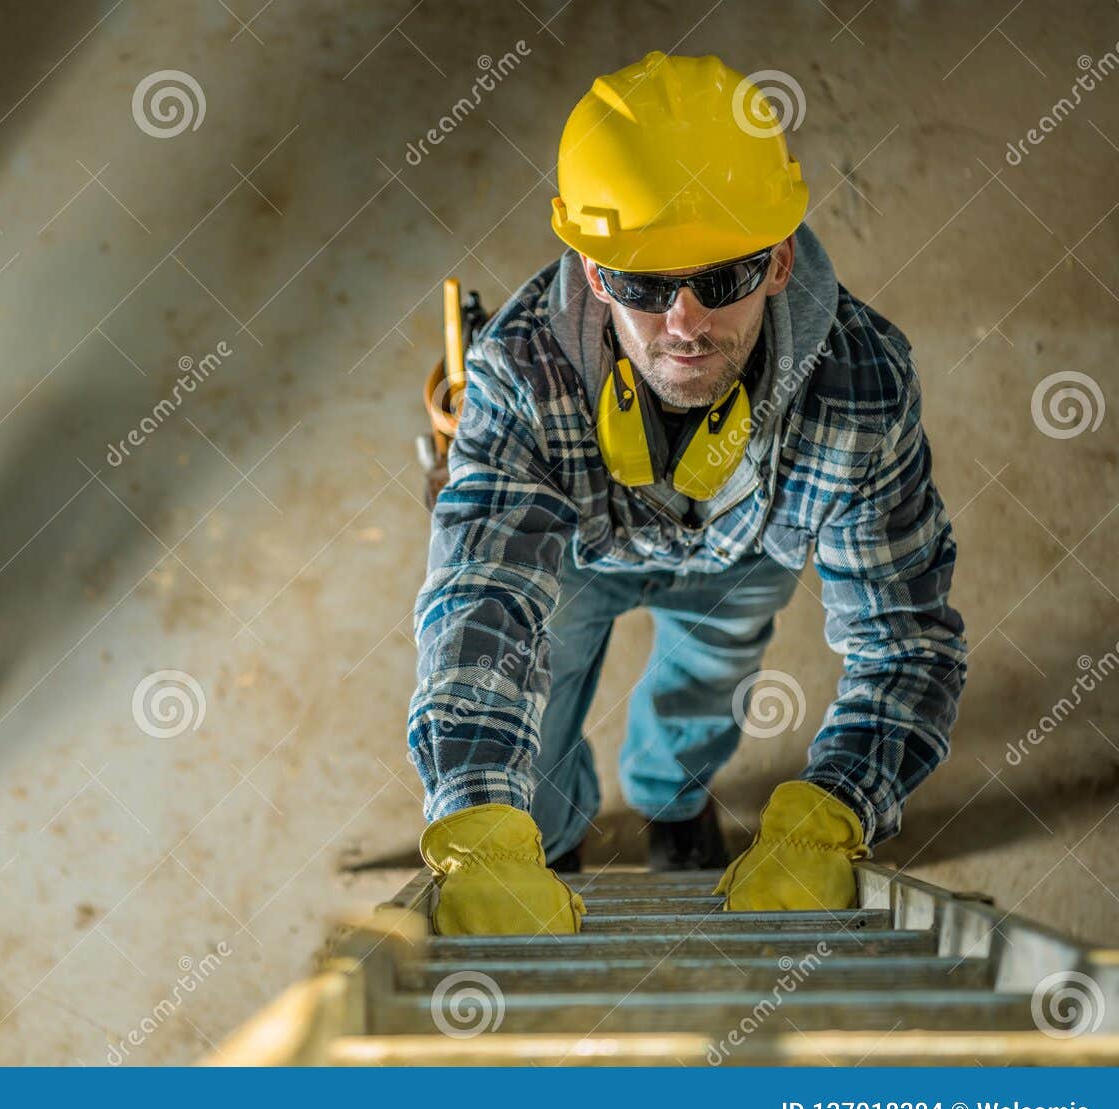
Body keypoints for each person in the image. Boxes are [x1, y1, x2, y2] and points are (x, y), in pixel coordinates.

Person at [406, 51, 967, 936]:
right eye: (642, 281)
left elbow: (906, 640)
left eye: (722, 276)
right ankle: (547, 838)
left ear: (779, 261)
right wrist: (481, 822)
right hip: (575, 559)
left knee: (707, 684)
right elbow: (482, 608)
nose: (685, 324)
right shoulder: (520, 375)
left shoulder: (863, 389)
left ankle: (673, 801)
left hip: (742, 559)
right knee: (539, 708)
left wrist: (836, 808)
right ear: (596, 275)